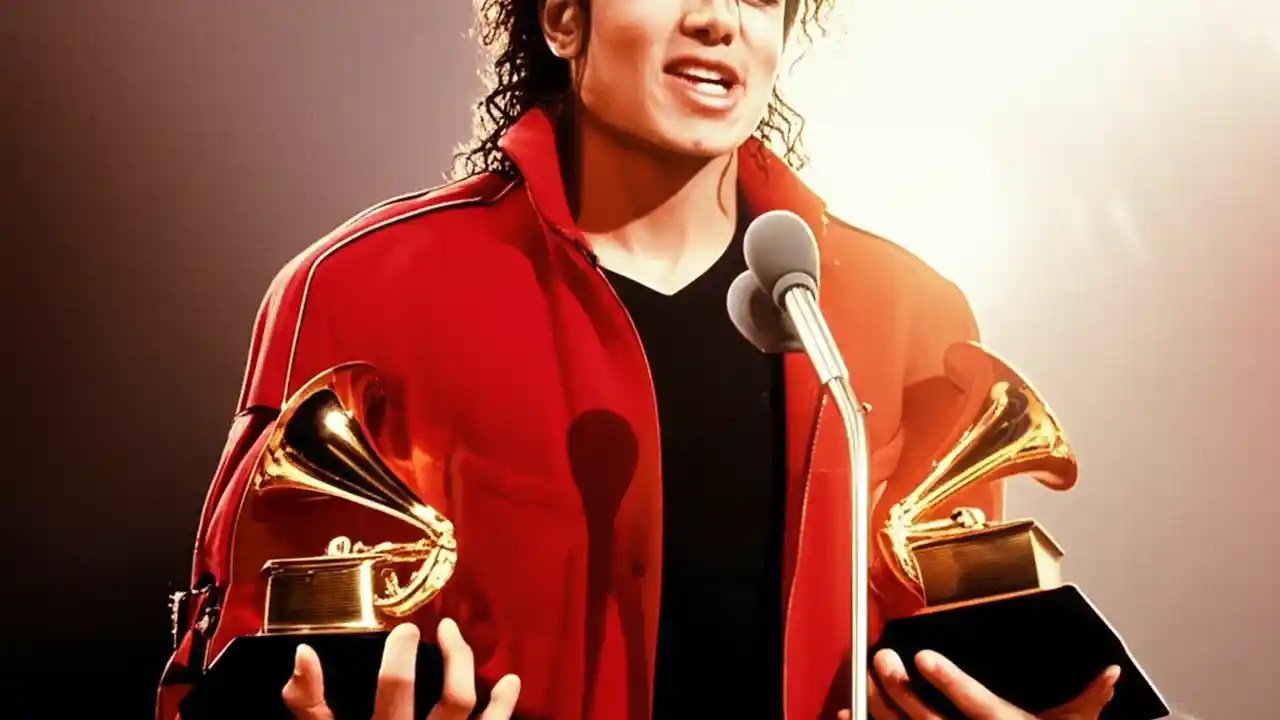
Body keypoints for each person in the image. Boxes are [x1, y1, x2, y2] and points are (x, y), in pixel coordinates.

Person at [157, 1, 1122, 718]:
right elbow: (228, 658)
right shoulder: (354, 288)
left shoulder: (909, 309)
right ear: (564, 19)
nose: (716, 20)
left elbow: (965, 632)